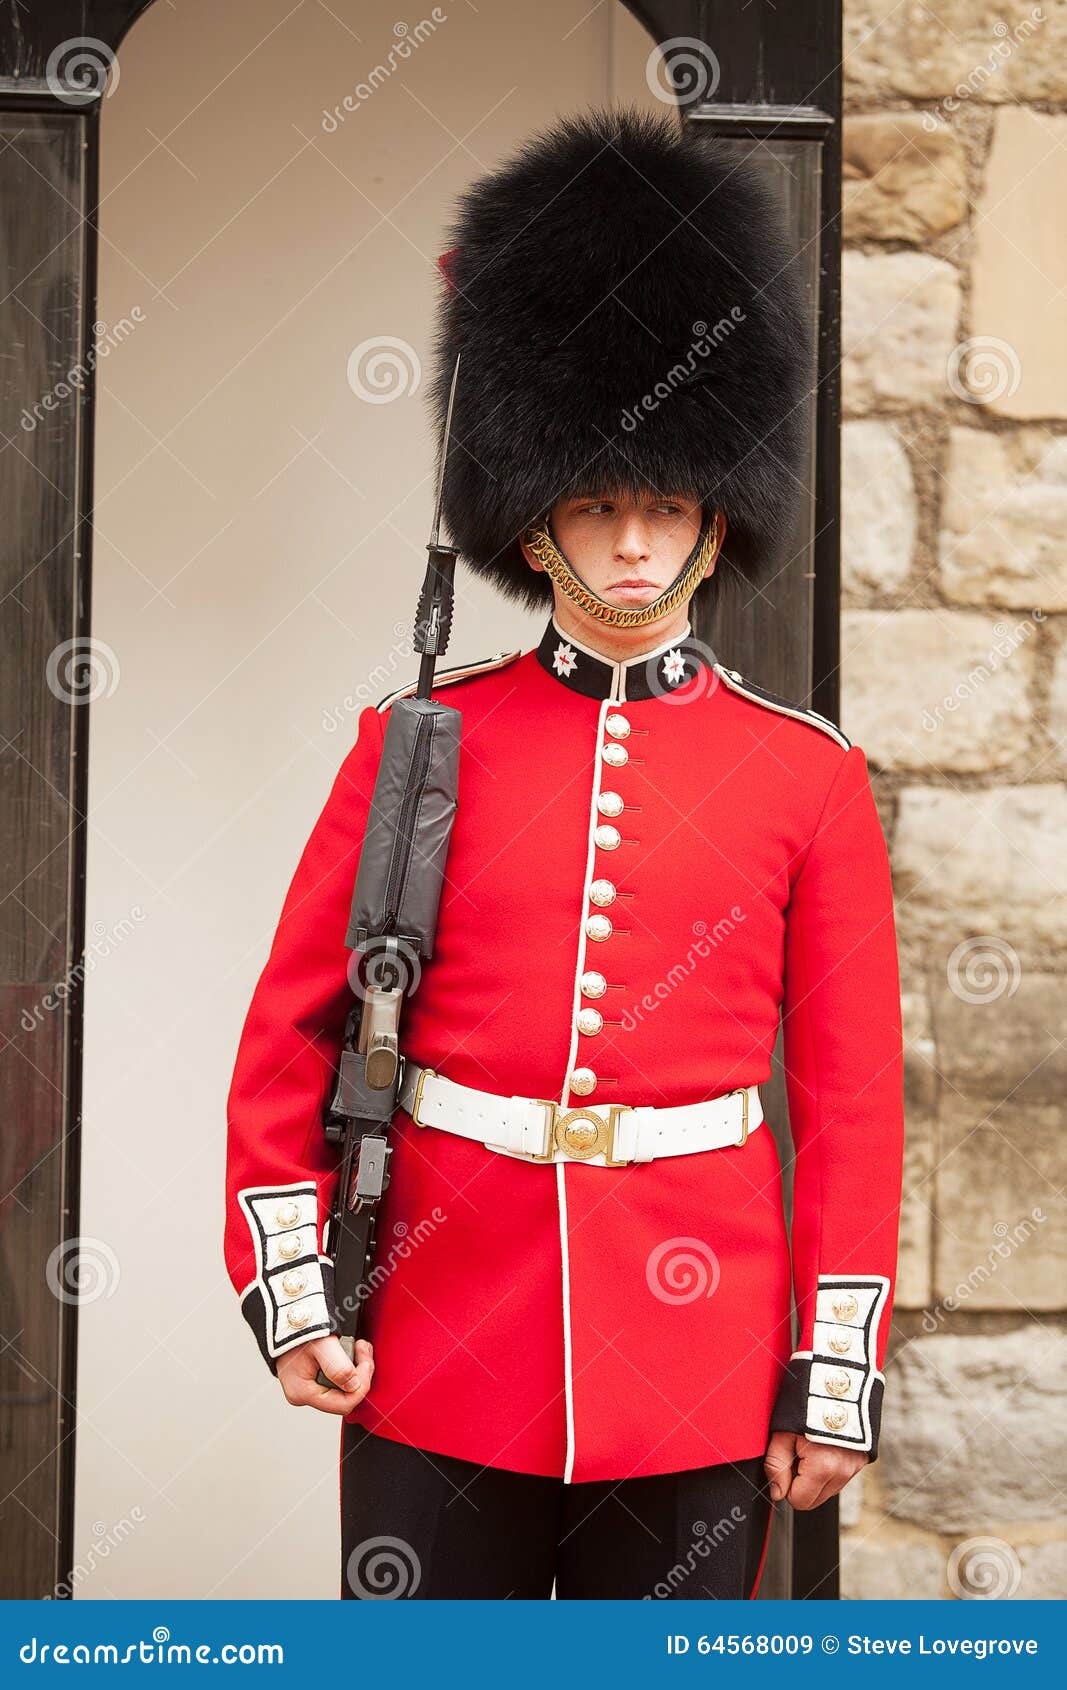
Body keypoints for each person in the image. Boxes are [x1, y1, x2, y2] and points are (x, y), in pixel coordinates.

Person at [223, 107, 905, 1601]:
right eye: (599, 505)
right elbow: (290, 1038)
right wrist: (294, 1294)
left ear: (720, 523)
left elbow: (852, 1103)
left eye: (665, 505)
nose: (636, 546)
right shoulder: (418, 744)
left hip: (700, 1367)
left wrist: (832, 1364)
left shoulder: (808, 776)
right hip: (440, 1338)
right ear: (535, 526)